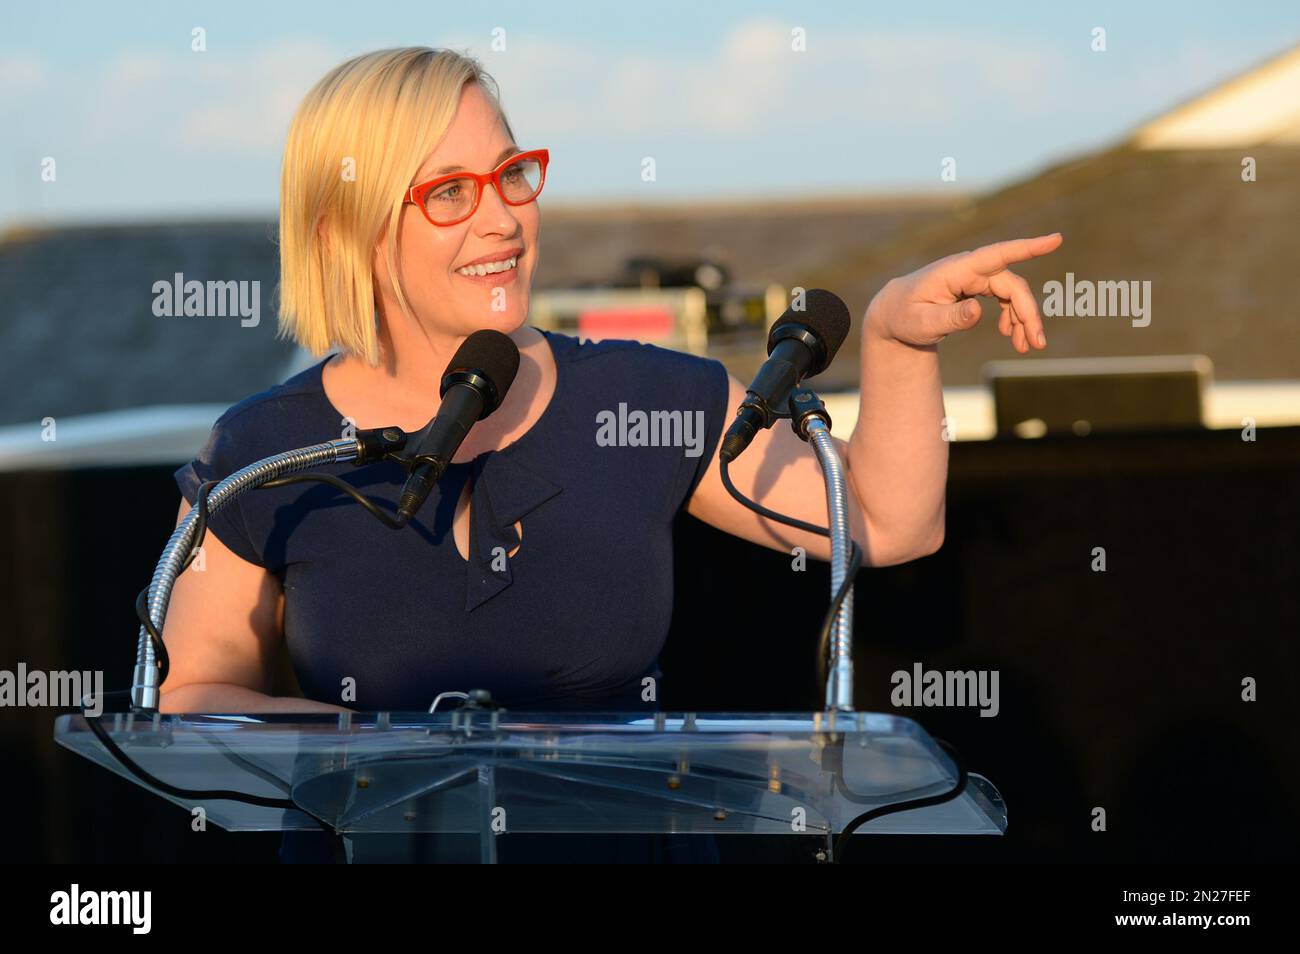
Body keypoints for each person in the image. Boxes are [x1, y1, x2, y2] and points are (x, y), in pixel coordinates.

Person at [158, 47, 1061, 862]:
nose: (502, 218)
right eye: (448, 193)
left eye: (512, 175)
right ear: (340, 228)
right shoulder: (263, 448)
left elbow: (888, 522)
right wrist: (387, 756)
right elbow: (195, 696)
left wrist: (900, 343)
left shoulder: (644, 399)